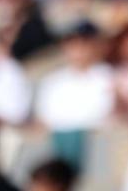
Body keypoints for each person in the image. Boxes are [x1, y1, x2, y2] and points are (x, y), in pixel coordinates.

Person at [34, 20, 114, 170]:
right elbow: (44, 120)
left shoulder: (109, 77)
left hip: (95, 150)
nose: (78, 49)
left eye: (83, 42)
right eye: (72, 43)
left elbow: (103, 117)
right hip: (56, 149)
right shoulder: (51, 81)